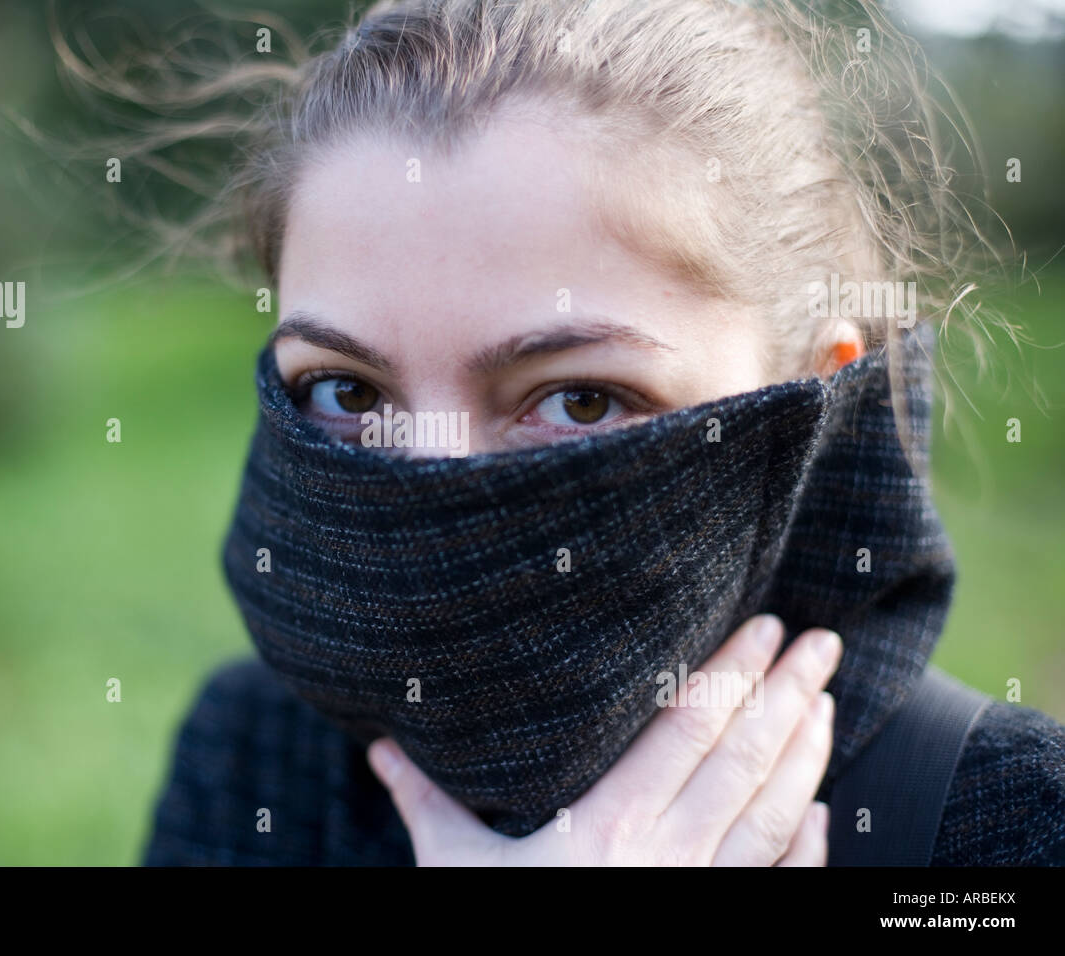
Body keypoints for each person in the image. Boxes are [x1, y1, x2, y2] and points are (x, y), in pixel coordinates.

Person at [102, 0, 1065, 865]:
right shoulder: (254, 761)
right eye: (349, 395)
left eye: (579, 400)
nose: (433, 488)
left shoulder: (1009, 822)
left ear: (815, 395)